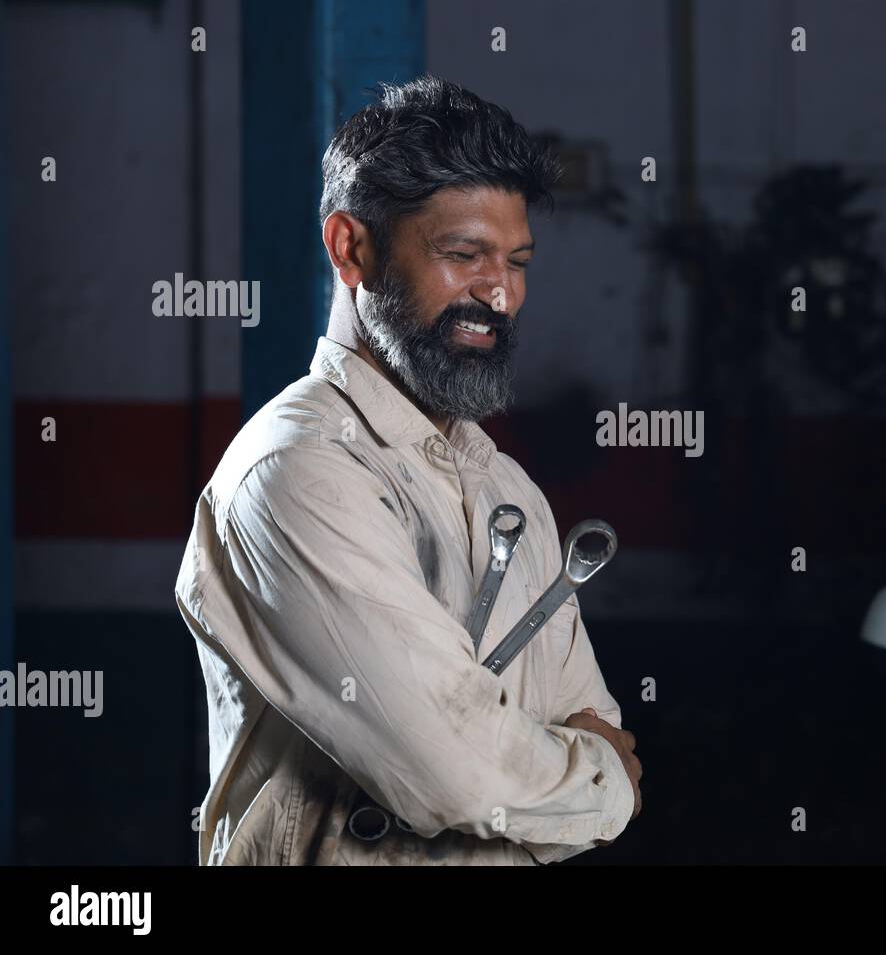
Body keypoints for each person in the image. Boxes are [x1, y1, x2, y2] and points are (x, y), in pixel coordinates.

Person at [174, 75, 642, 865]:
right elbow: (454, 772)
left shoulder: (505, 489)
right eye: (463, 256)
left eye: (517, 260)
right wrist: (598, 783)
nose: (498, 291)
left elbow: (583, 718)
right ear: (351, 248)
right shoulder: (296, 473)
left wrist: (549, 770)